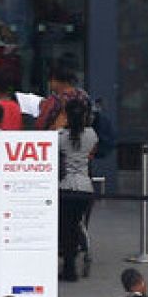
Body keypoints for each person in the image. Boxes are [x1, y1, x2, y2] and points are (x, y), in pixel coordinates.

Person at [58, 97, 97, 282]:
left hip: (65, 187)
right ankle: (75, 258)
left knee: (66, 228)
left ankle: (69, 267)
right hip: (85, 187)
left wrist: (59, 124)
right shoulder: (91, 135)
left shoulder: (61, 137)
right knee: (77, 225)